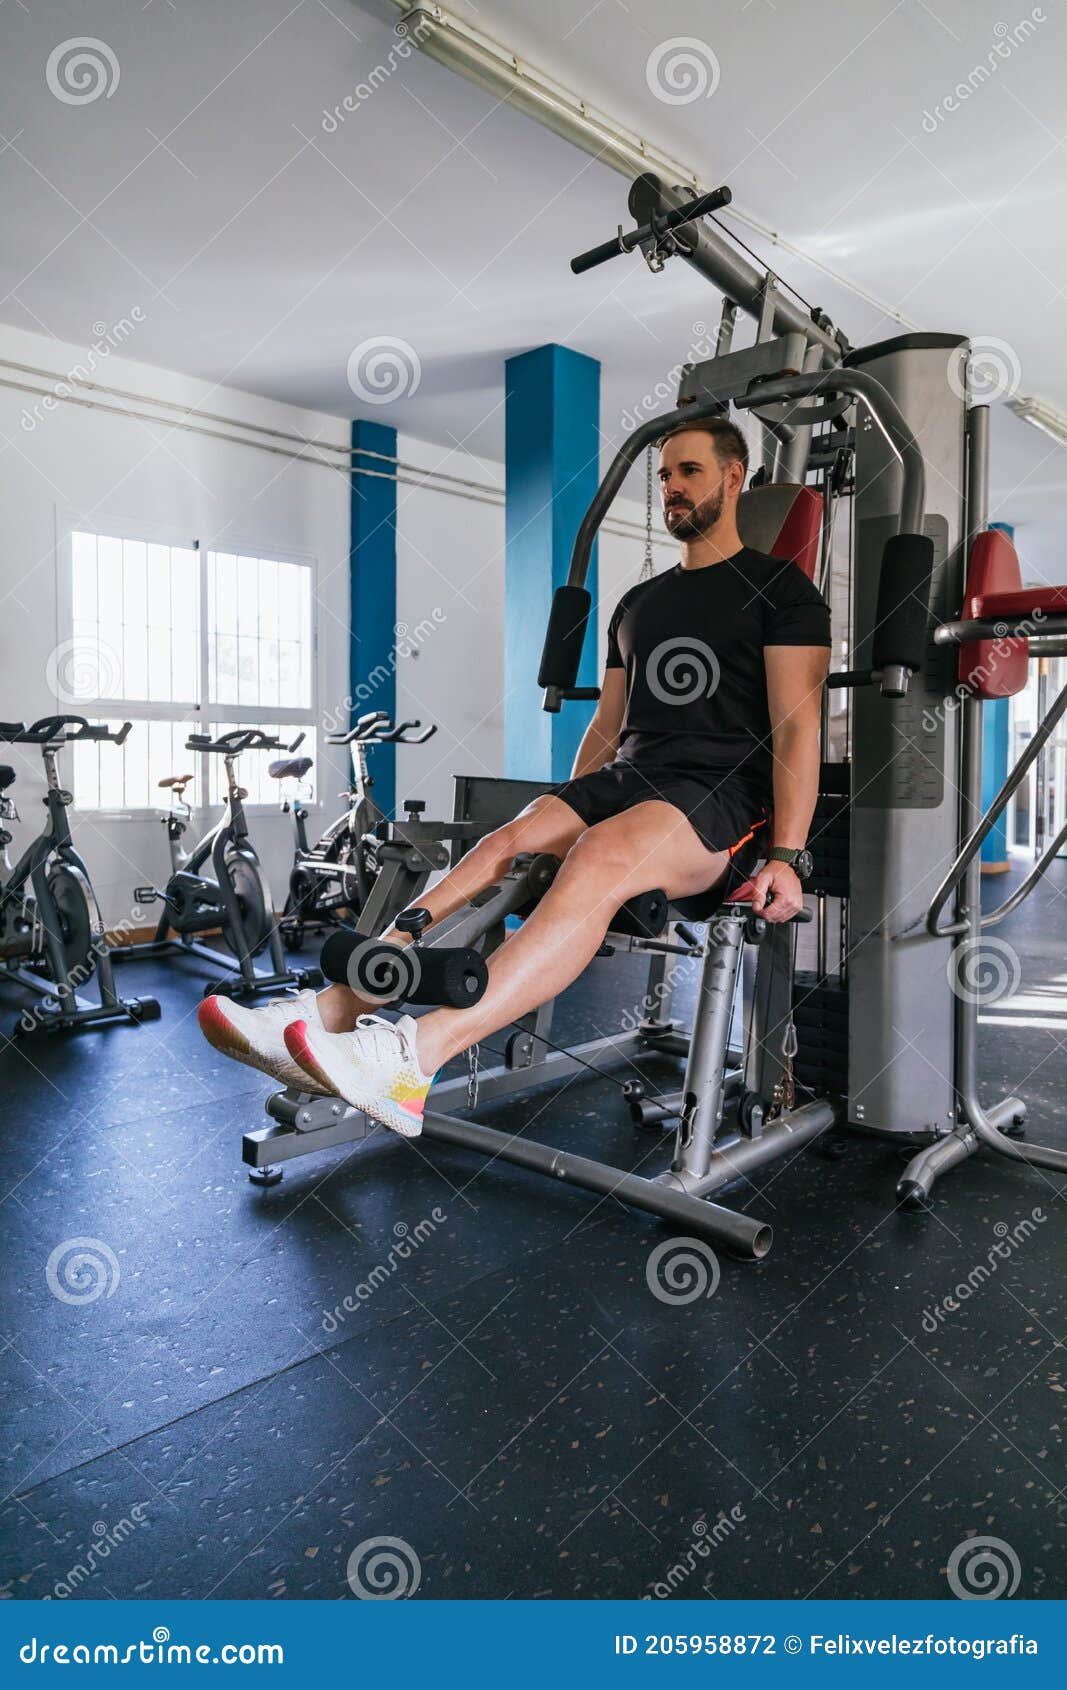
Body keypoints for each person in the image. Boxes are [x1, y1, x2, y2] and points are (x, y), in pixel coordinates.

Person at [199, 418, 831, 1137]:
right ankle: (335, 1010)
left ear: (731, 478)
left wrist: (786, 856)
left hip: (720, 797)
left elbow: (796, 727)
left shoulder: (784, 591)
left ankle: (413, 1057)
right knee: (507, 842)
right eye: (662, 476)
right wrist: (566, 803)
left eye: (687, 471)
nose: (672, 488)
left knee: (598, 855)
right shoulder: (640, 603)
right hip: (633, 774)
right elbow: (607, 727)